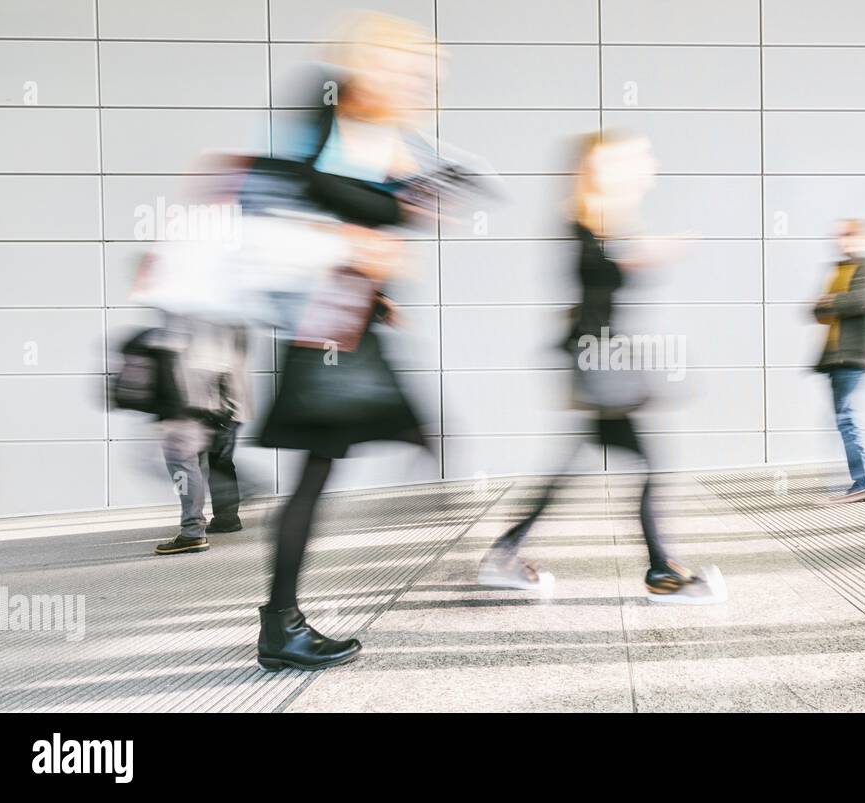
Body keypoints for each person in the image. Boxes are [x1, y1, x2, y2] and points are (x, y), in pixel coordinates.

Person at [251, 13, 444, 671]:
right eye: (410, 70)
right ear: (371, 64)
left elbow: (356, 210)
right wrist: (367, 235)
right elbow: (281, 193)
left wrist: (382, 283)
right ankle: (282, 623)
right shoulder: (325, 110)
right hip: (323, 328)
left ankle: (282, 619)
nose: (419, 84)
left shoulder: (380, 135)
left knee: (329, 466)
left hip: (347, 322)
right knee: (331, 464)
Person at [478, 130, 725, 604]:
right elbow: (596, 275)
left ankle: (507, 552)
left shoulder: (605, 224)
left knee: (580, 463)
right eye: (630, 160)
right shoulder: (583, 223)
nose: (643, 167)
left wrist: (637, 252)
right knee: (645, 465)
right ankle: (660, 573)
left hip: (599, 359)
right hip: (596, 360)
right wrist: (638, 257)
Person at [151, 318, 249, 555]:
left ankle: (192, 532)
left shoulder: (185, 312)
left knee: (183, 464)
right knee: (219, 461)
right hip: (230, 400)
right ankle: (226, 517)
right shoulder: (230, 313)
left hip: (194, 401)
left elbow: (181, 356)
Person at [814, 219, 865, 503]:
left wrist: (831, 300)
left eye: (849, 235)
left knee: (846, 418)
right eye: (840, 235)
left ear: (863, 238)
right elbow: (817, 311)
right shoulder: (839, 269)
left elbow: (859, 302)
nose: (843, 240)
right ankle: (863, 482)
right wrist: (828, 302)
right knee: (844, 418)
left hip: (851, 356)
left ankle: (864, 483)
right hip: (834, 358)